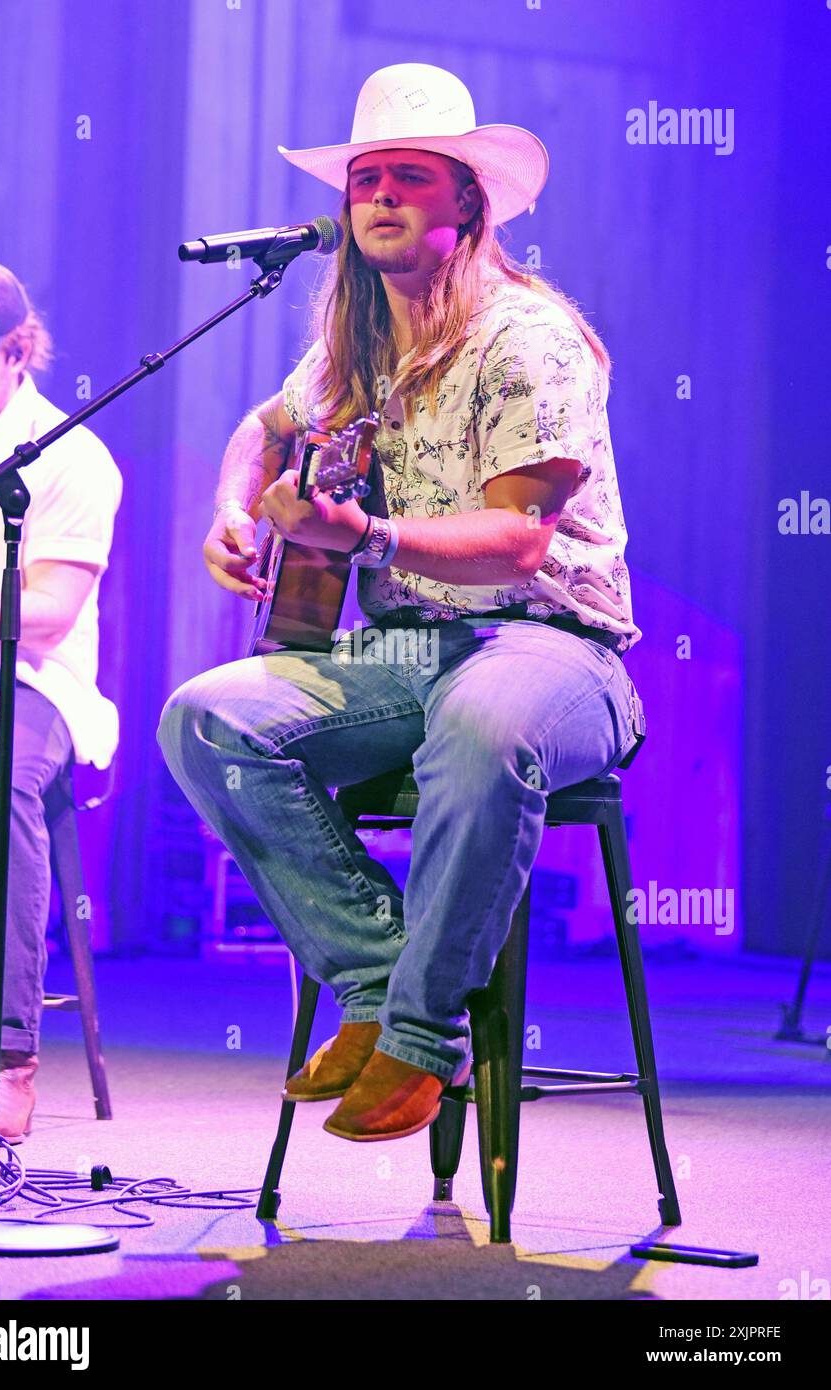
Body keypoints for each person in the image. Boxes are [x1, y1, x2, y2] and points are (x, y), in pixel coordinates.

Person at [158, 63, 643, 1142]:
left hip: (554, 651)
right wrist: (232, 507)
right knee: (207, 717)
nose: (376, 196)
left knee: (481, 725)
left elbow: (519, 541)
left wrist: (365, 534)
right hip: (405, 651)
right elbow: (264, 426)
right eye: (364, 178)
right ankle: (380, 982)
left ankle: (424, 1038)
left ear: (464, 200)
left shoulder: (528, 337)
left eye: (407, 178)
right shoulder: (357, 340)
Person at [0, 256, 122, 1143]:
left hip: (17, 677)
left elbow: (44, 621)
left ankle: (7, 1061)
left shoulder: (72, 456)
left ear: (18, 352)